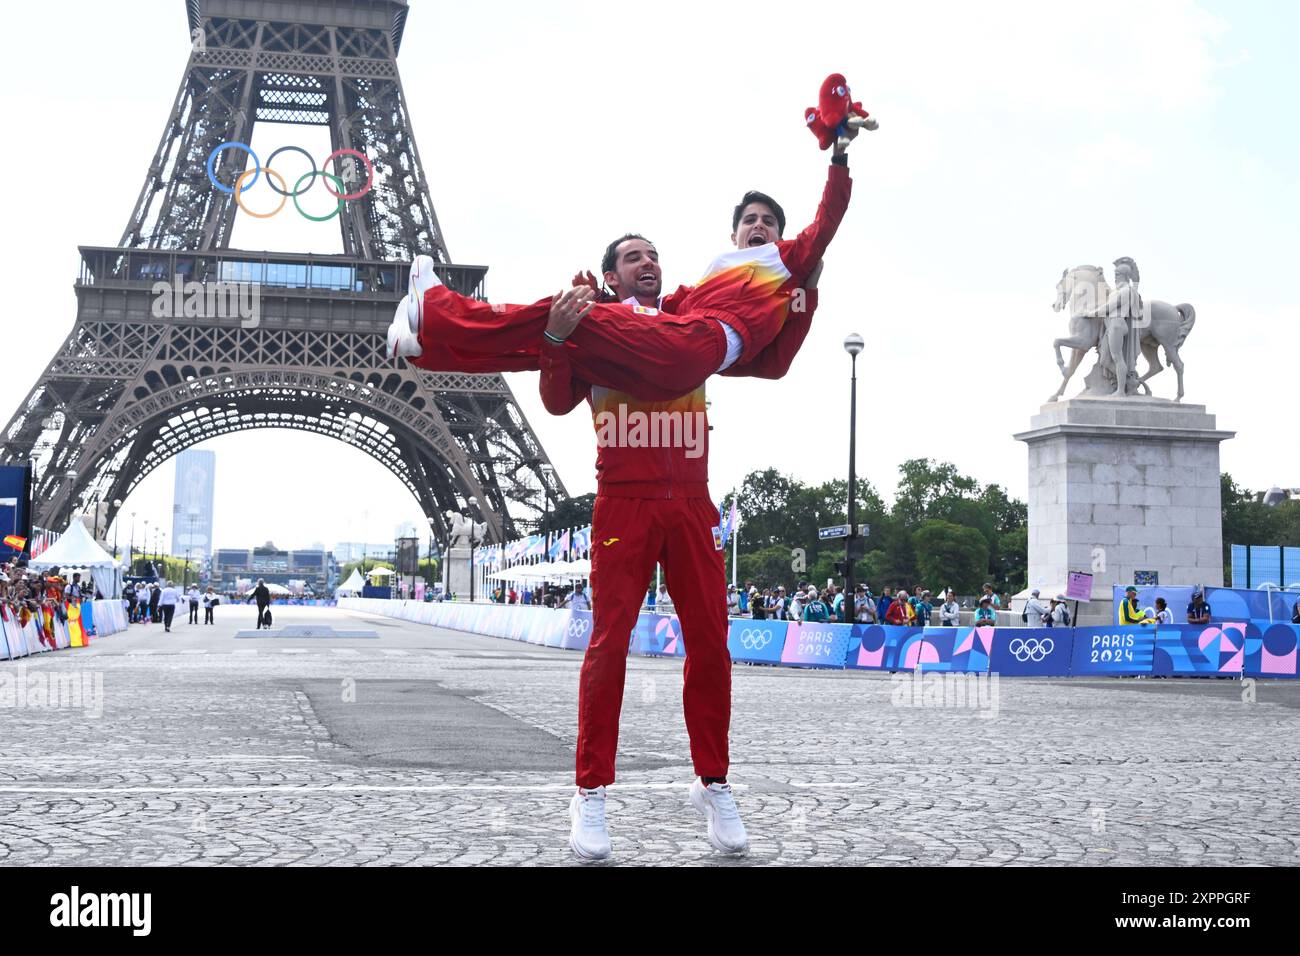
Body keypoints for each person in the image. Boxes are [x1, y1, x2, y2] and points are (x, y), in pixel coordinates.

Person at [540, 147, 859, 862]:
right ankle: (590, 794)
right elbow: (558, 399)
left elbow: (771, 355)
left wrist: (795, 279)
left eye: (654, 253)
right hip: (623, 503)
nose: (648, 261)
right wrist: (558, 337)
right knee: (609, 644)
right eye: (632, 256)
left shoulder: (690, 316)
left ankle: (713, 780)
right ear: (612, 275)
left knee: (712, 646)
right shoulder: (597, 326)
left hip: (691, 504)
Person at [388, 139, 854, 412]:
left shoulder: (777, 265)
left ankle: (438, 312)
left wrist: (805, 295)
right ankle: (430, 347)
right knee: (556, 331)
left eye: (769, 222)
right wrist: (556, 339)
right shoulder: (700, 292)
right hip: (653, 401)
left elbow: (825, 226)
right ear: (732, 236)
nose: (760, 227)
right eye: (750, 220)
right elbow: (557, 400)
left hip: (689, 365)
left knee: (567, 314)